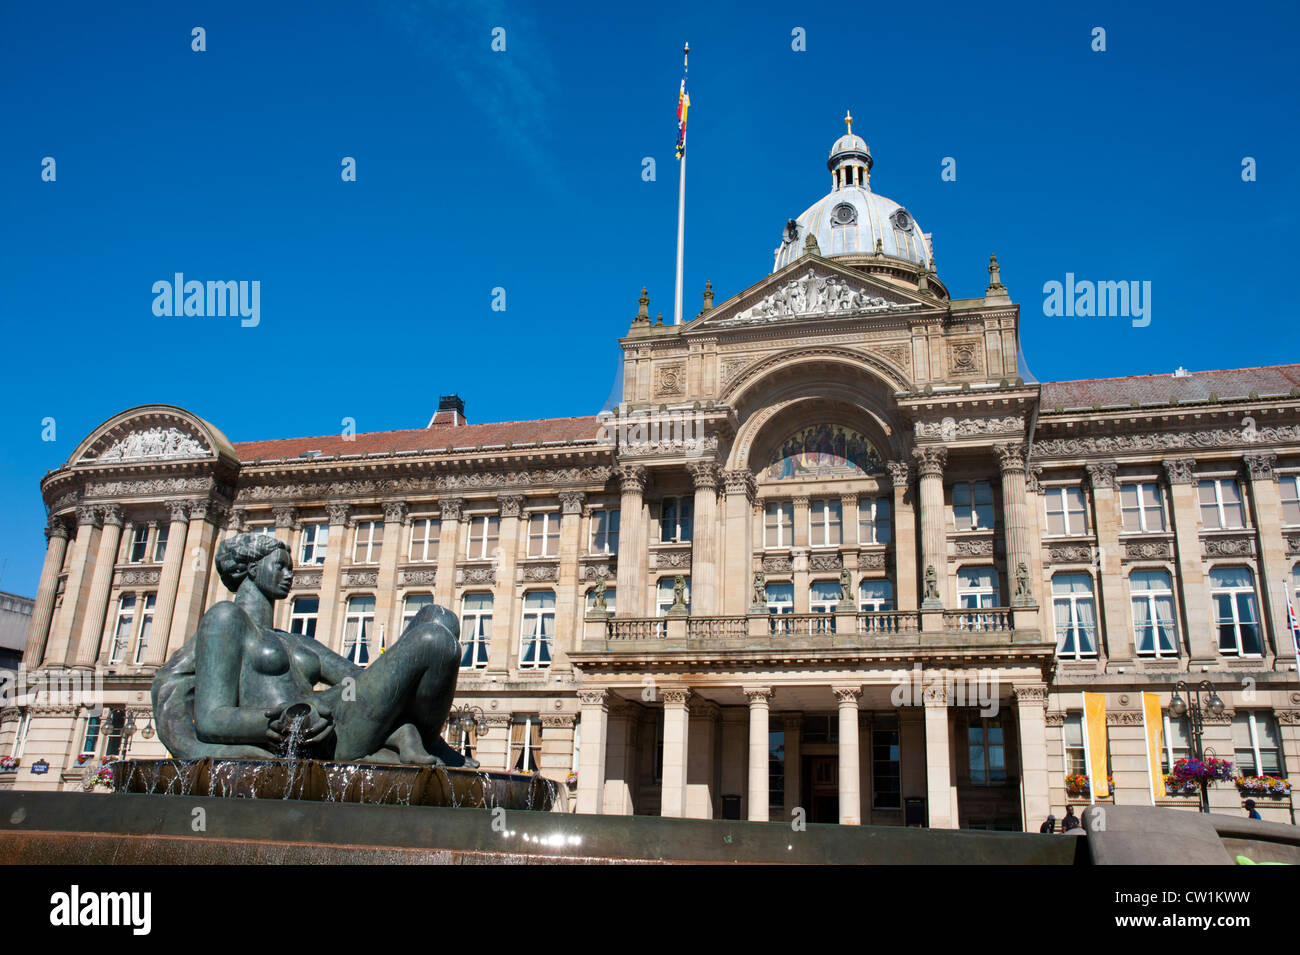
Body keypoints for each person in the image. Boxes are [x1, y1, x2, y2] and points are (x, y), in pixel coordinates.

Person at [152, 532, 475, 767]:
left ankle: (418, 737)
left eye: (289, 567)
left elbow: (361, 680)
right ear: (251, 569)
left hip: (331, 718)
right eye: (279, 566)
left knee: (438, 618)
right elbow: (211, 719)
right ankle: (412, 737)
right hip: (301, 737)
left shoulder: (296, 641)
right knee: (433, 640)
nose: (291, 574)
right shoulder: (225, 619)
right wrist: (277, 725)